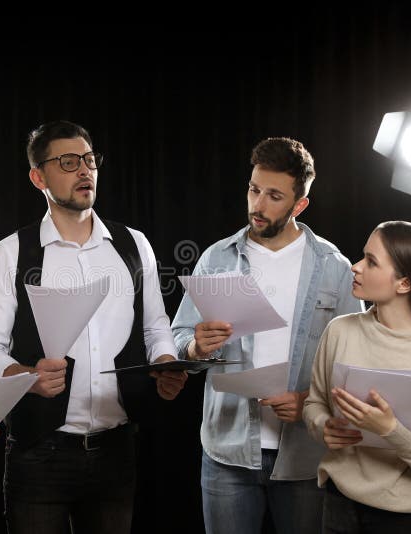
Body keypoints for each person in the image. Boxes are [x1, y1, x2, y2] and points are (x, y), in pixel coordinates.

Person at [0, 120, 188, 534]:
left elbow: (156, 327)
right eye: (68, 162)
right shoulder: (12, 251)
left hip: (117, 449)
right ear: (39, 177)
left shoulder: (133, 244)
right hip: (39, 453)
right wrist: (24, 377)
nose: (85, 170)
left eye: (89, 160)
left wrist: (166, 363)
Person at [172, 137, 363, 533]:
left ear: (299, 205)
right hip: (227, 452)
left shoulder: (334, 266)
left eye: (273, 196)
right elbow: (179, 344)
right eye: (254, 189)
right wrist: (195, 345)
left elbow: (356, 366)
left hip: (305, 457)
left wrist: (310, 400)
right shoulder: (217, 258)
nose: (257, 205)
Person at [303, 220, 411, 533]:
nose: (355, 267)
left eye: (371, 262)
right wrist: (323, 427)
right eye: (362, 256)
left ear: (405, 284)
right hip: (339, 508)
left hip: (409, 521)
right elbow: (314, 403)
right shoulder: (340, 332)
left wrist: (391, 431)